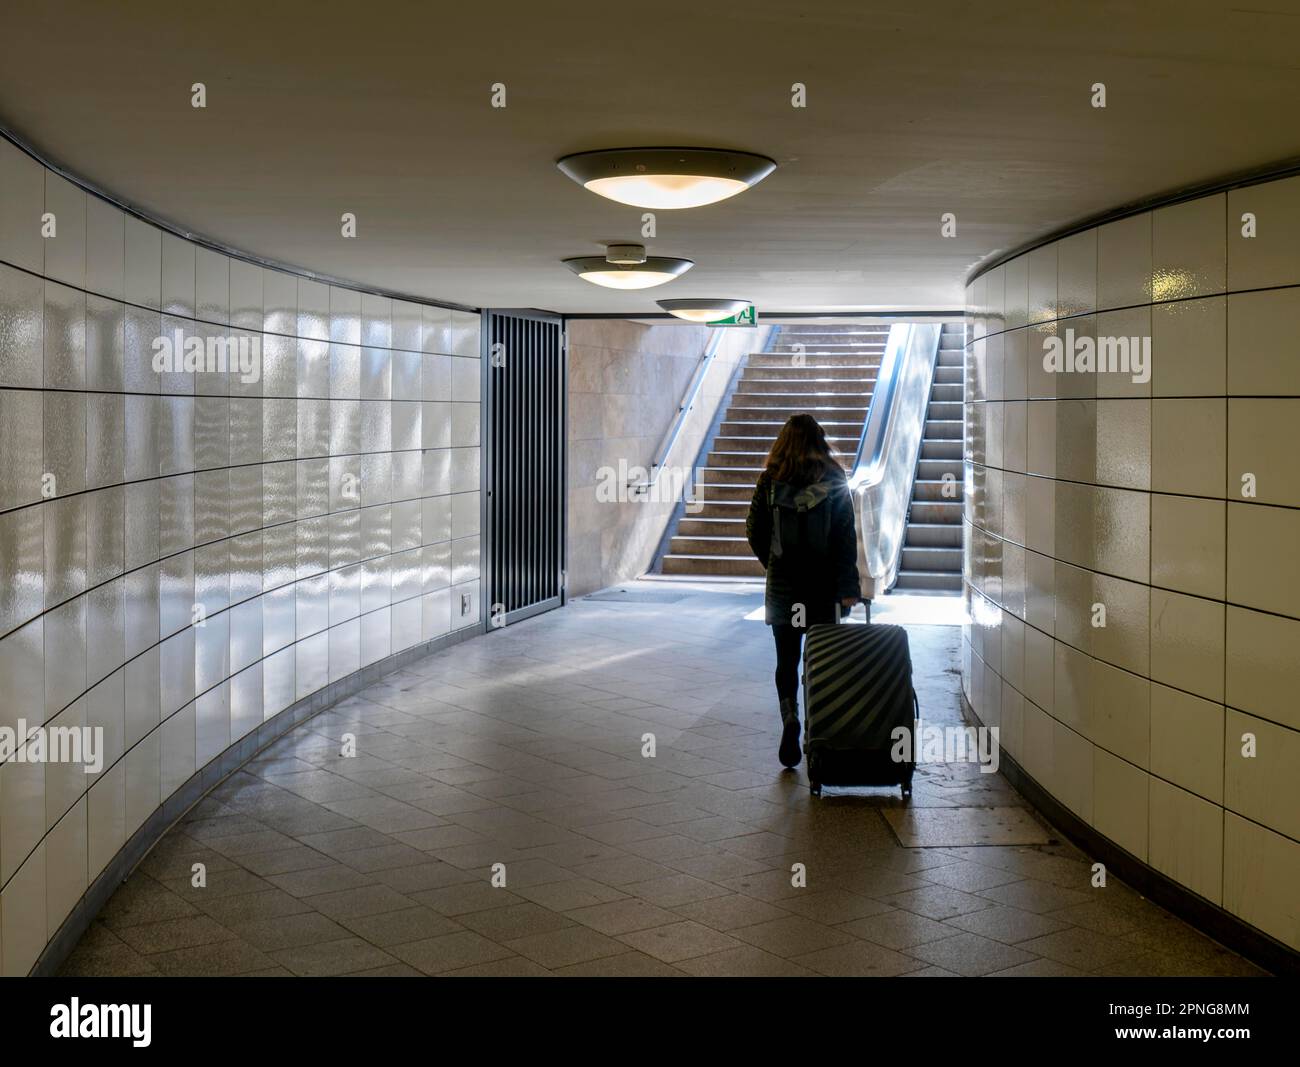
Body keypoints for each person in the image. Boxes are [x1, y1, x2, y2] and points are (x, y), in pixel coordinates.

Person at [745, 413, 861, 769]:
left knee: (786, 660)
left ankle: (789, 716)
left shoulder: (770, 480)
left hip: (784, 586)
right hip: (822, 586)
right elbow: (844, 536)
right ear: (820, 441)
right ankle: (818, 730)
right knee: (821, 660)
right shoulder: (834, 477)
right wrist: (847, 588)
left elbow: (754, 529)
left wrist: (775, 566)